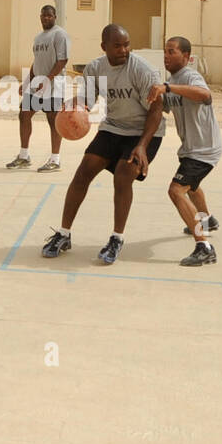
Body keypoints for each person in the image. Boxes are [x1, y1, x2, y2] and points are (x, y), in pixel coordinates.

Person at [41, 24, 165, 265]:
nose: (124, 50)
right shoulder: (96, 68)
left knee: (122, 175)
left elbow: (157, 108)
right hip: (114, 127)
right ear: (104, 47)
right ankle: (64, 234)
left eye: (127, 44)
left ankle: (117, 238)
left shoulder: (142, 69)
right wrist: (73, 109)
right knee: (83, 172)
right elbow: (88, 99)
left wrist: (142, 146)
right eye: (117, 45)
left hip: (144, 131)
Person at [148, 36, 222, 266]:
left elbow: (204, 95)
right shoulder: (171, 81)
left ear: (187, 57)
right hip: (191, 150)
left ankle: (204, 247)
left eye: (172, 51)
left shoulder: (190, 77)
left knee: (176, 190)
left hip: (204, 150)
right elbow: (162, 108)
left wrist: (168, 87)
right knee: (192, 187)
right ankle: (207, 220)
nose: (166, 56)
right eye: (165, 51)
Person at [8, 4, 70, 171]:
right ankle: (23, 156)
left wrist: (48, 79)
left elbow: (62, 61)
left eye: (49, 15)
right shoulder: (38, 38)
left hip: (54, 85)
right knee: (24, 114)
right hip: (38, 84)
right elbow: (37, 63)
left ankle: (55, 160)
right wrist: (28, 82)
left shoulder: (60, 34)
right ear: (40, 17)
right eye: (43, 15)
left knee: (53, 120)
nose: (46, 18)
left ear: (55, 16)